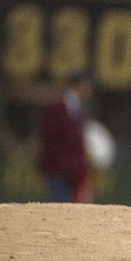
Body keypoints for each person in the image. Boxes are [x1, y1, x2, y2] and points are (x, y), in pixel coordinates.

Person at [38, 71, 94, 203]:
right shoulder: (58, 107)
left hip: (74, 169)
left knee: (74, 210)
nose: (90, 90)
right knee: (59, 207)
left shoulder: (80, 109)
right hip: (58, 168)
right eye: (87, 86)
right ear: (78, 86)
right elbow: (48, 137)